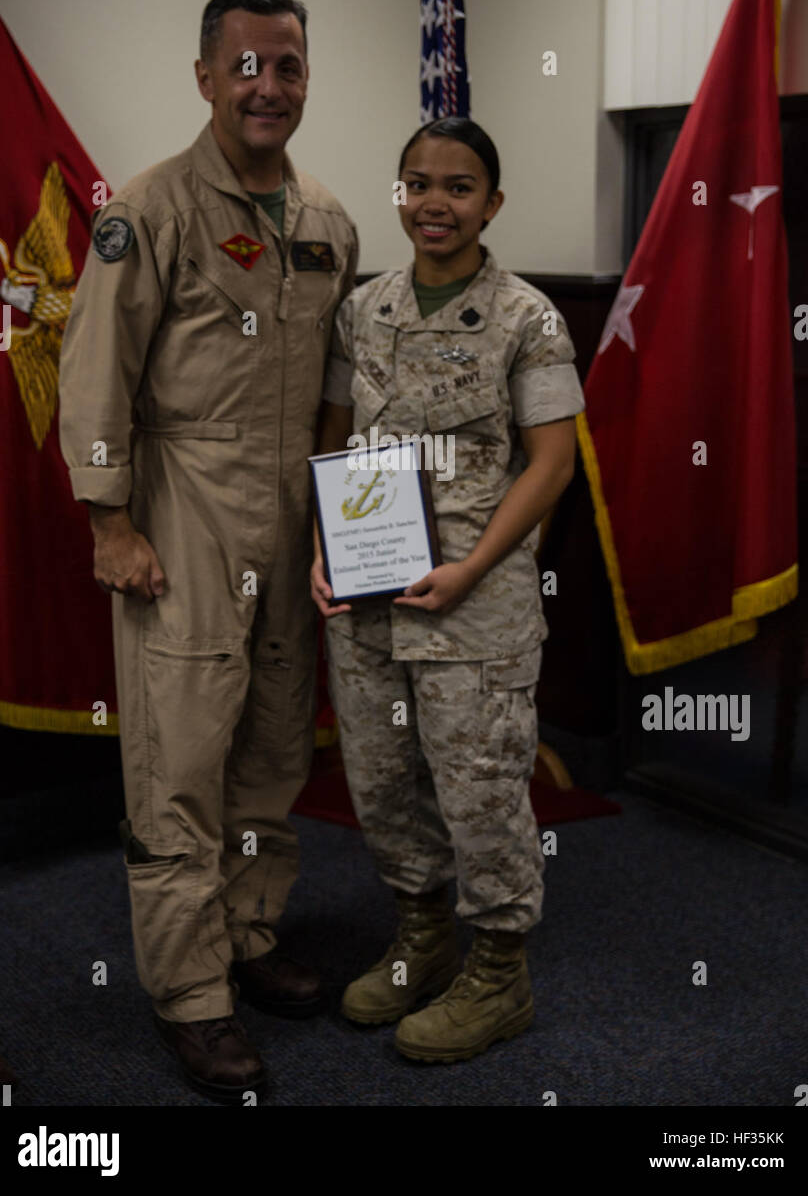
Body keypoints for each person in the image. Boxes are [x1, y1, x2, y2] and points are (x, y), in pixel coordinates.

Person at [58, 0, 358, 1102]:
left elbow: (334, 384)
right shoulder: (152, 208)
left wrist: (339, 514)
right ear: (204, 78)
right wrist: (111, 520)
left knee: (275, 748)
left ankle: (249, 931)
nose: (266, 86)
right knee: (177, 766)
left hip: (288, 512)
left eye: (285, 66)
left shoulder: (328, 219)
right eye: (245, 66)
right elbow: (95, 374)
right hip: (181, 505)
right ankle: (190, 992)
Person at [311, 116, 584, 1063]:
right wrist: (322, 547)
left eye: (459, 186)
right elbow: (341, 440)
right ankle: (422, 941)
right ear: (399, 195)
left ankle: (500, 972)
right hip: (371, 596)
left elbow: (552, 464)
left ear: (491, 204)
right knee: (384, 785)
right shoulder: (362, 309)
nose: (435, 202)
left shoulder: (528, 317)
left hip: (476, 599)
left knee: (479, 787)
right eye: (418, 183)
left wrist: (473, 565)